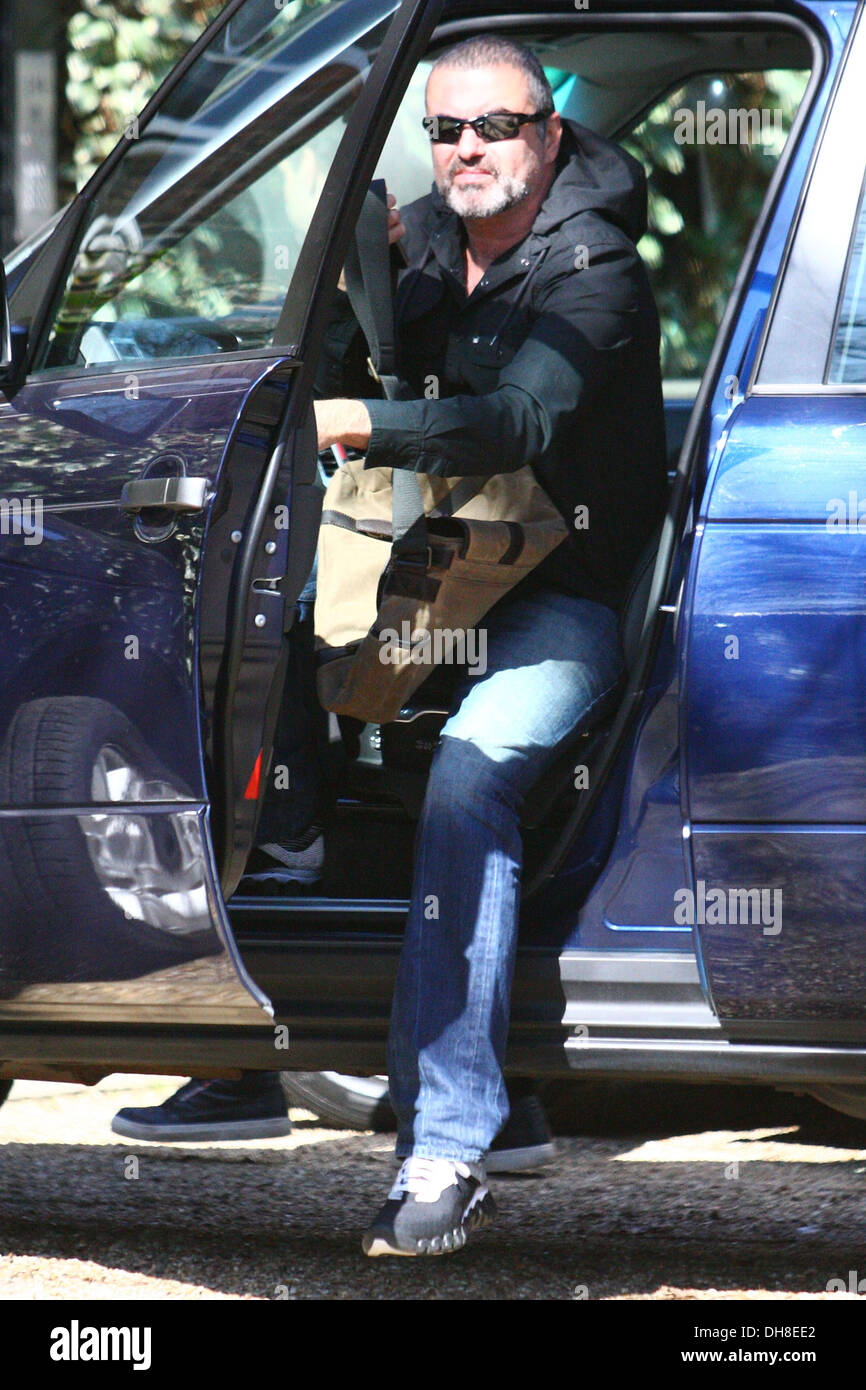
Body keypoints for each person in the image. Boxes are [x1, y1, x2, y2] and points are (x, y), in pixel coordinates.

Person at [313, 34, 668, 1257]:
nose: (468, 149)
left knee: (468, 772)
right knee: (262, 689)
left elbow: (514, 419)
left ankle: (450, 1144)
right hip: (437, 578)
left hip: (559, 598)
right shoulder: (418, 244)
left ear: (549, 134)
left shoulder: (596, 270)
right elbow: (331, 341)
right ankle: (250, 1045)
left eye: (495, 127)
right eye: (444, 130)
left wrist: (366, 420)